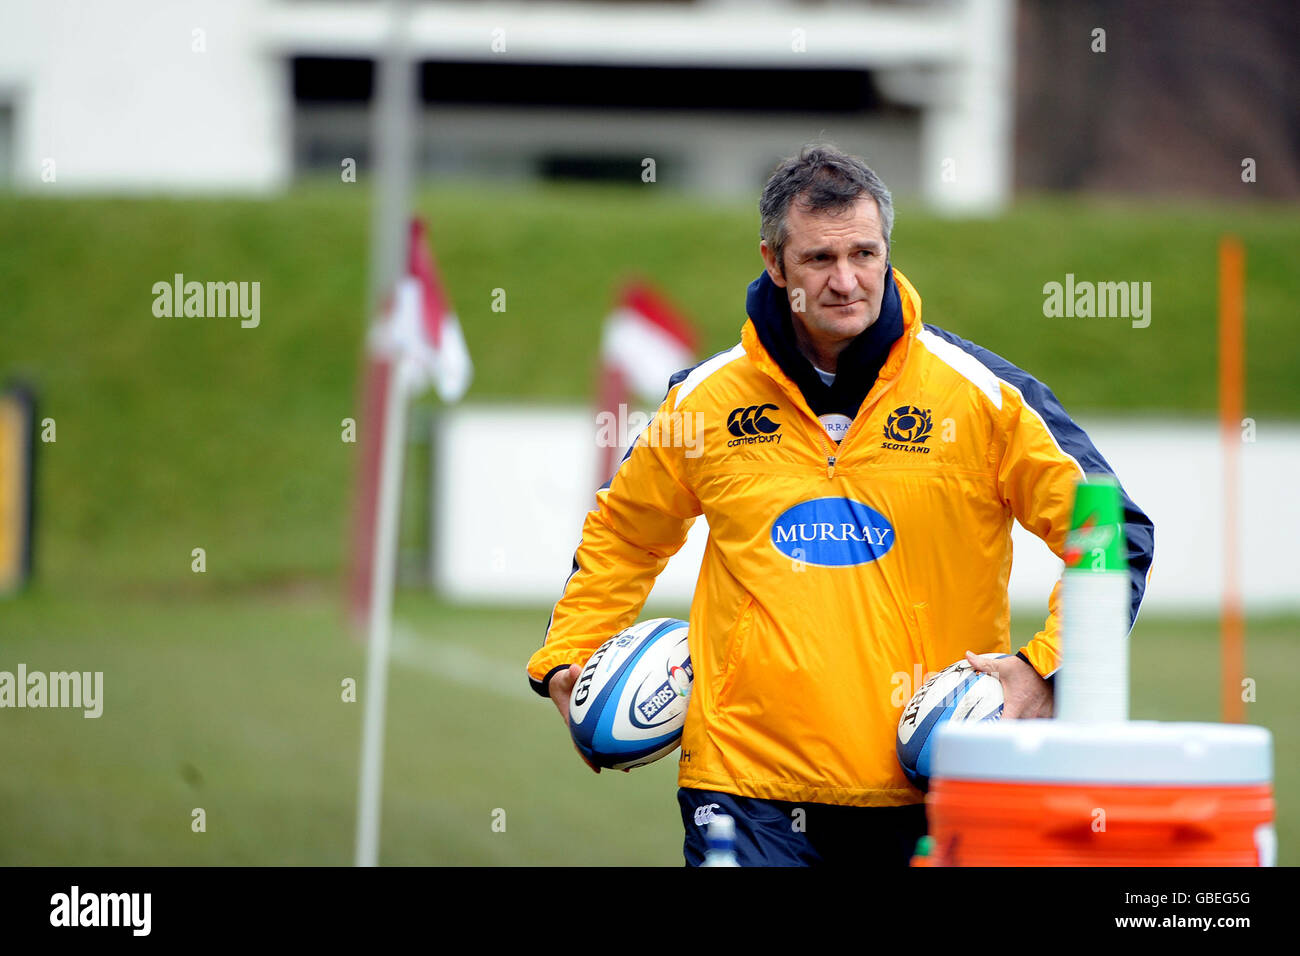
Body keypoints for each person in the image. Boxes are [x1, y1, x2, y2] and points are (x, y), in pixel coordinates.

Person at [525, 144, 1155, 867]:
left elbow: (1109, 527)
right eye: (820, 259)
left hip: (934, 787)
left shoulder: (980, 396)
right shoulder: (703, 402)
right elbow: (625, 536)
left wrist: (1049, 672)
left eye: (865, 253)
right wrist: (569, 655)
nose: (846, 280)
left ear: (888, 252)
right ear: (774, 262)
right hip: (742, 790)